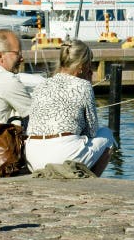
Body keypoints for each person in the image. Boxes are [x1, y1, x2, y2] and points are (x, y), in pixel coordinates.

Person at [25, 40, 114, 176]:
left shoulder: (42, 84)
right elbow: (92, 131)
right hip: (62, 155)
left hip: (33, 157)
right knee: (107, 134)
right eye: (90, 63)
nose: (91, 68)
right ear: (81, 66)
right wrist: (88, 84)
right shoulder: (83, 86)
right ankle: (91, 182)